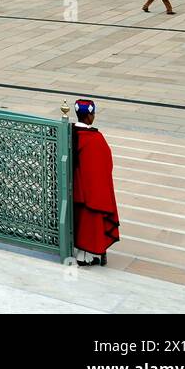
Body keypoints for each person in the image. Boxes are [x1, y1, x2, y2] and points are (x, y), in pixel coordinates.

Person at [71, 99, 120, 267]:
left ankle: (82, 255)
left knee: (79, 223)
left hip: (74, 189)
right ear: (90, 116)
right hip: (90, 191)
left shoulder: (70, 133)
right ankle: (85, 256)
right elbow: (105, 165)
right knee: (89, 224)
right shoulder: (95, 138)